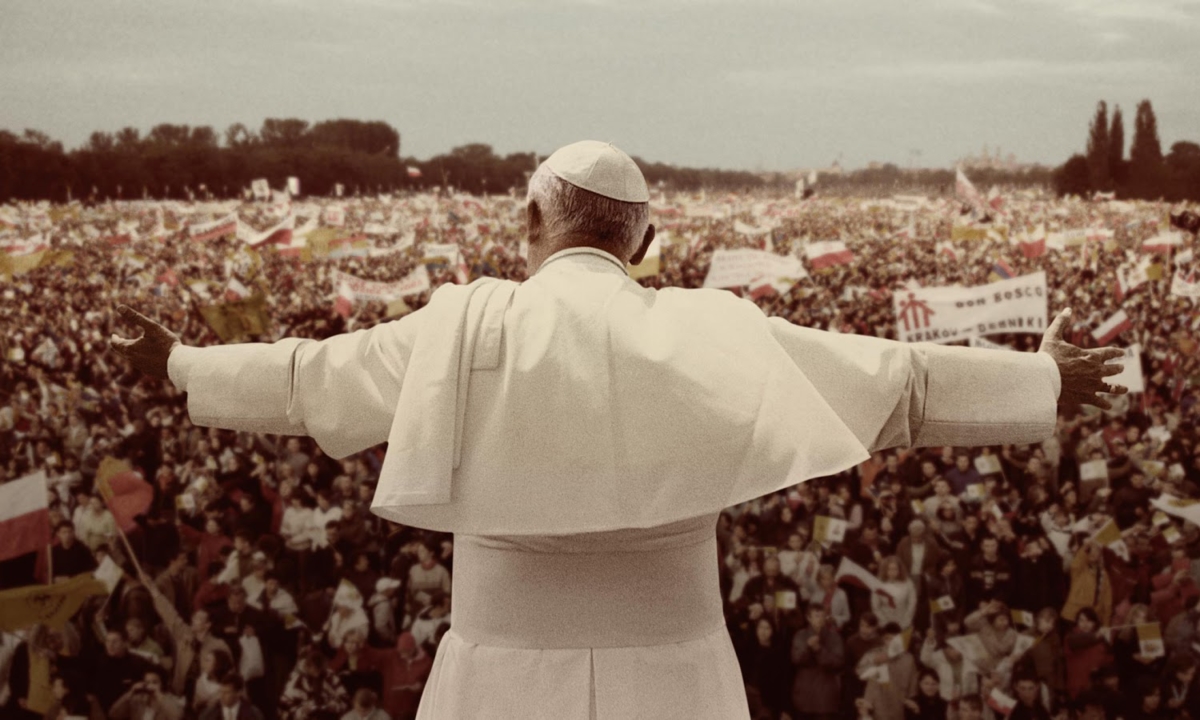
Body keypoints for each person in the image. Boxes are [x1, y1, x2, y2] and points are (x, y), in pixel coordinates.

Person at [110, 139, 1128, 720]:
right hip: (675, 679)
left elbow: (302, 381)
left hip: (493, 683)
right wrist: (1040, 384)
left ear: (528, 224)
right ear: (645, 241)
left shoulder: (463, 321)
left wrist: (180, 366)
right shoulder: (712, 327)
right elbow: (899, 390)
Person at [107, 666, 185, 720]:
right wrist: (130, 692)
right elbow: (114, 714)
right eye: (147, 682)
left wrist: (158, 694)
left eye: (155, 682)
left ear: (163, 683)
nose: (150, 685)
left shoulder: (171, 700)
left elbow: (177, 717)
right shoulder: (137, 699)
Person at [198, 672, 264, 720]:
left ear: (239, 693)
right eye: (221, 692)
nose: (222, 696)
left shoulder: (253, 714)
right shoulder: (208, 715)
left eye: (227, 692)